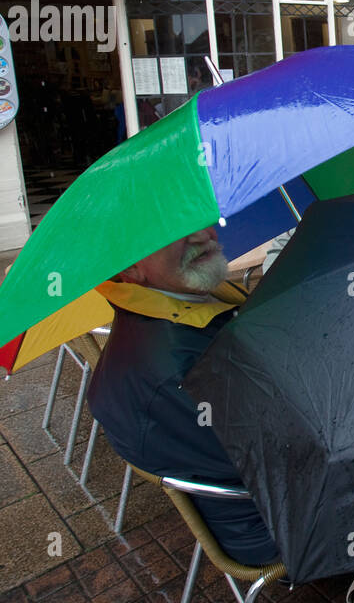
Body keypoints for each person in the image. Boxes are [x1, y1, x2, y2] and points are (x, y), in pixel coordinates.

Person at [87, 227, 279, 565]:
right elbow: (285, 456)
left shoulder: (185, 300)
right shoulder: (180, 369)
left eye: (199, 215)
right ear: (130, 269)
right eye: (172, 230)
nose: (202, 234)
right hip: (273, 526)